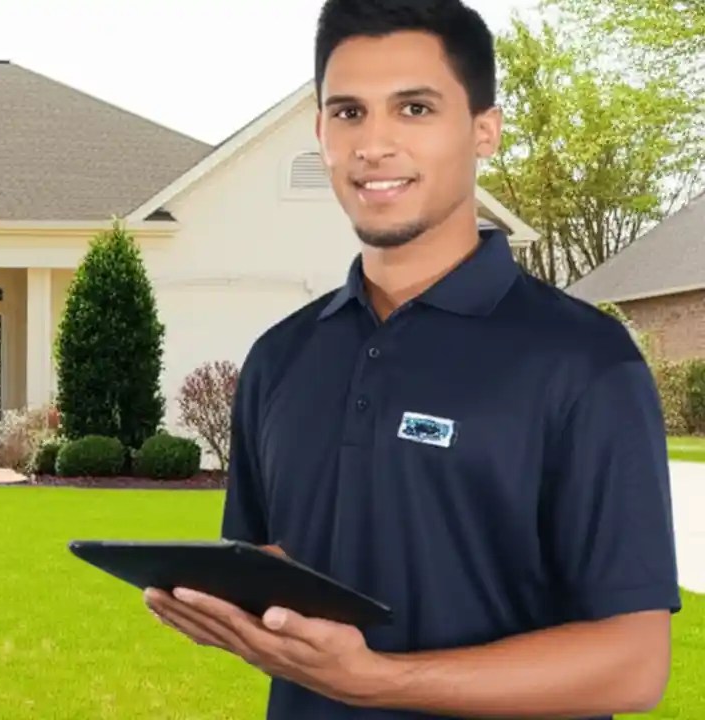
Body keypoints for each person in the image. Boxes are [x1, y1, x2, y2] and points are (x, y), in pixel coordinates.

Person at [142, 0, 682, 718]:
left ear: (483, 130)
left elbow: (633, 665)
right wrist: (234, 606)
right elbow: (274, 574)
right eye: (349, 113)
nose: (374, 145)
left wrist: (377, 681)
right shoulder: (279, 359)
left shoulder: (584, 361)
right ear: (321, 133)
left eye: (416, 109)